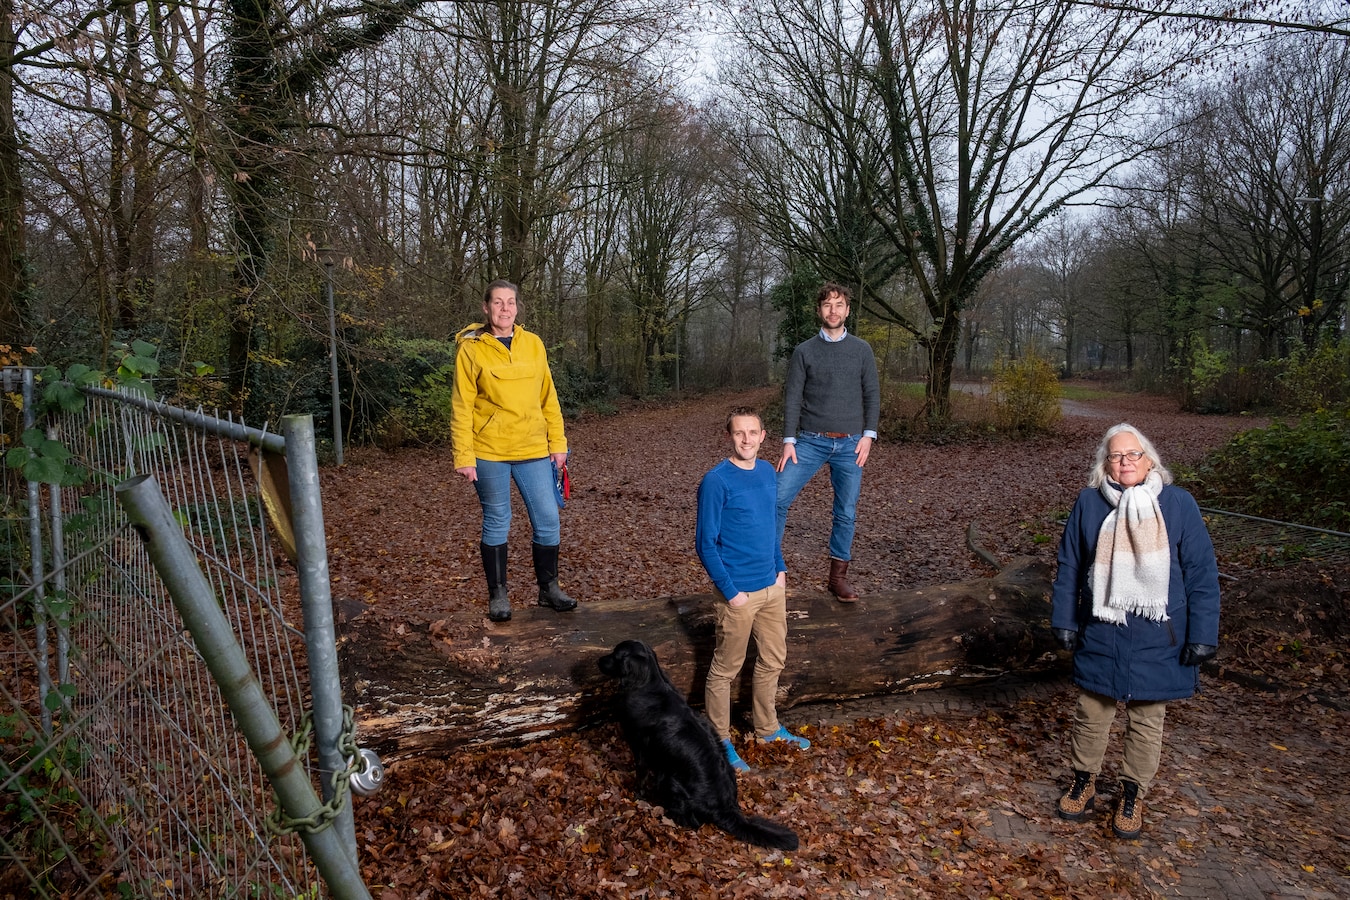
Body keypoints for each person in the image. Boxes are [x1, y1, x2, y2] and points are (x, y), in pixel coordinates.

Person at [1051, 423, 1220, 839]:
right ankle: (1083, 781)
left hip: (1158, 631)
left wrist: (1204, 633)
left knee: (1147, 718)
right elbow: (1070, 565)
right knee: (1092, 712)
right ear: (1104, 463)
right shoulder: (1090, 504)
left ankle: (1132, 793)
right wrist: (1063, 620)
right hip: (1103, 627)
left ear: (1149, 459)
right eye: (1115, 456)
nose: (1124, 462)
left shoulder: (1179, 504)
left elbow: (1201, 573)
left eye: (1132, 455)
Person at [451, 279, 577, 623]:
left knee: (548, 520)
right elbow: (462, 405)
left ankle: (548, 589)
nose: (504, 308)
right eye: (497, 302)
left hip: (533, 447)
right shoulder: (471, 349)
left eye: (510, 302)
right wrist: (464, 456)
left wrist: (559, 444)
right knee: (497, 520)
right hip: (489, 450)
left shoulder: (533, 344)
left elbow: (548, 397)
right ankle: (498, 595)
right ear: (486, 308)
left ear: (517, 308)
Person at [697, 407, 811, 773]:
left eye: (753, 432)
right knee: (725, 670)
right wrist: (731, 592)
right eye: (739, 433)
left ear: (764, 436)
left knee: (773, 659)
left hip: (771, 587)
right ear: (729, 437)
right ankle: (719, 741)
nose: (746, 439)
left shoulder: (766, 472)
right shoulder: (717, 481)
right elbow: (705, 543)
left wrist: (779, 568)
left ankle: (767, 728)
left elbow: (768, 527)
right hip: (738, 595)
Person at [776, 282, 880, 602]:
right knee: (776, 498)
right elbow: (792, 397)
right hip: (809, 441)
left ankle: (837, 578)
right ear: (819, 311)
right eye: (827, 305)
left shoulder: (862, 350)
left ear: (848, 310)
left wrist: (868, 435)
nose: (833, 311)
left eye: (839, 305)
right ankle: (771, 568)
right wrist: (789, 441)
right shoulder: (804, 351)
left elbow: (872, 394)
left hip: (850, 445)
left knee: (846, 511)